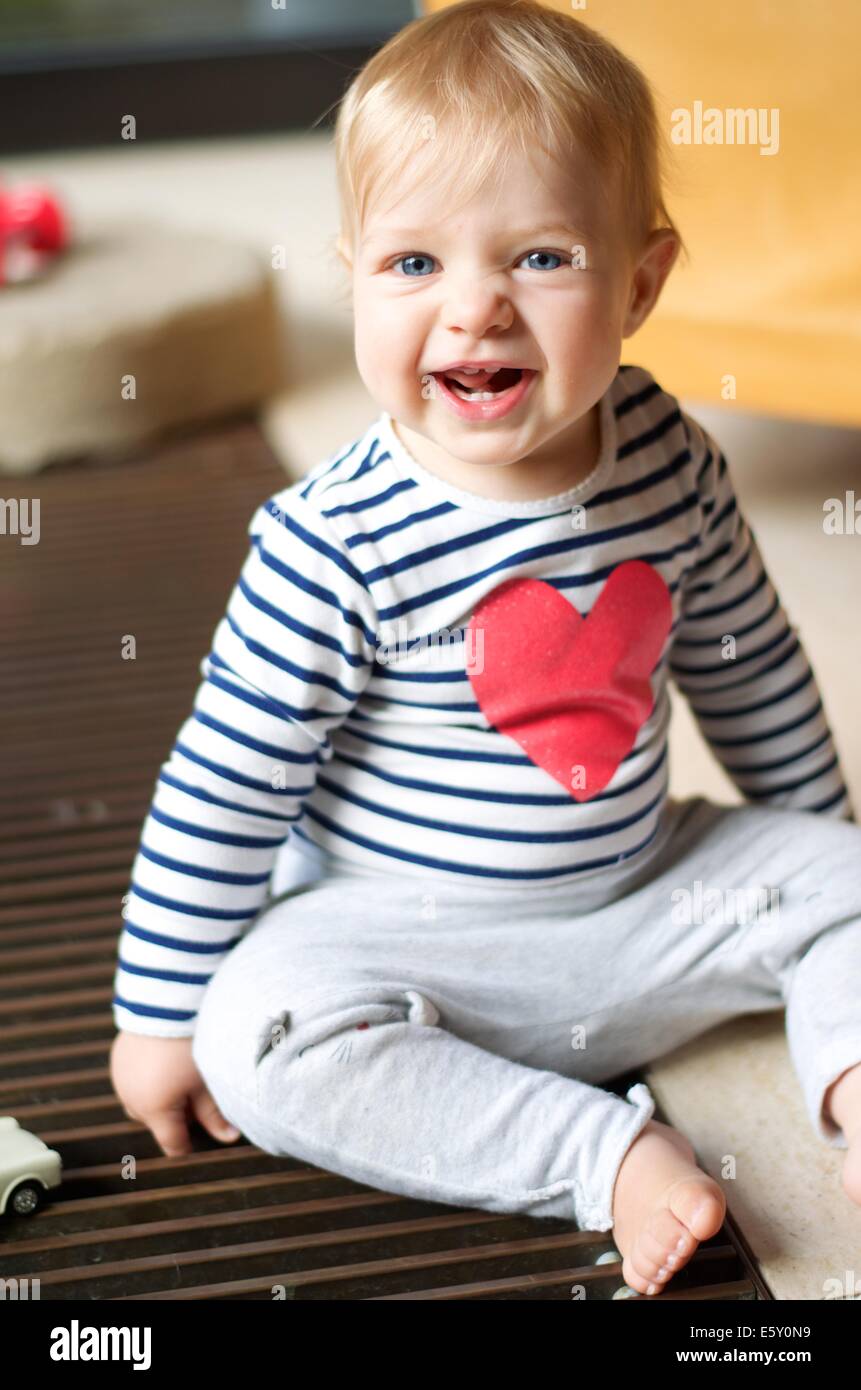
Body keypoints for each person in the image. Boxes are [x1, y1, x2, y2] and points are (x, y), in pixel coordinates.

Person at [109, 0, 861, 1299]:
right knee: (258, 1035)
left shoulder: (669, 460)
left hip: (646, 898)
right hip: (405, 939)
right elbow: (227, 785)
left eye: (539, 257)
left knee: (851, 875)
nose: (473, 311)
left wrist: (812, 866)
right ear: (352, 274)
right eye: (412, 265)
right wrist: (155, 1010)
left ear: (639, 281)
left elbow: (751, 668)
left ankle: (850, 1072)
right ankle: (604, 1154)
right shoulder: (330, 539)